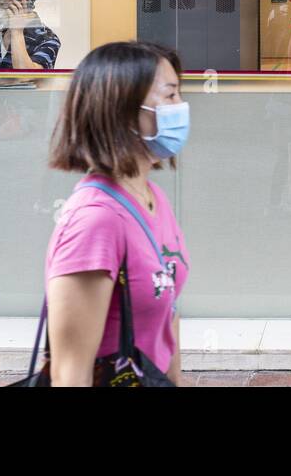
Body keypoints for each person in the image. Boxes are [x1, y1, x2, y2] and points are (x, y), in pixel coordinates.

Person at [44, 41, 190, 386]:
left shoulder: (151, 197)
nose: (181, 107)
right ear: (123, 111)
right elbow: (70, 373)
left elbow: (166, 312)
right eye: (169, 96)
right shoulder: (95, 221)